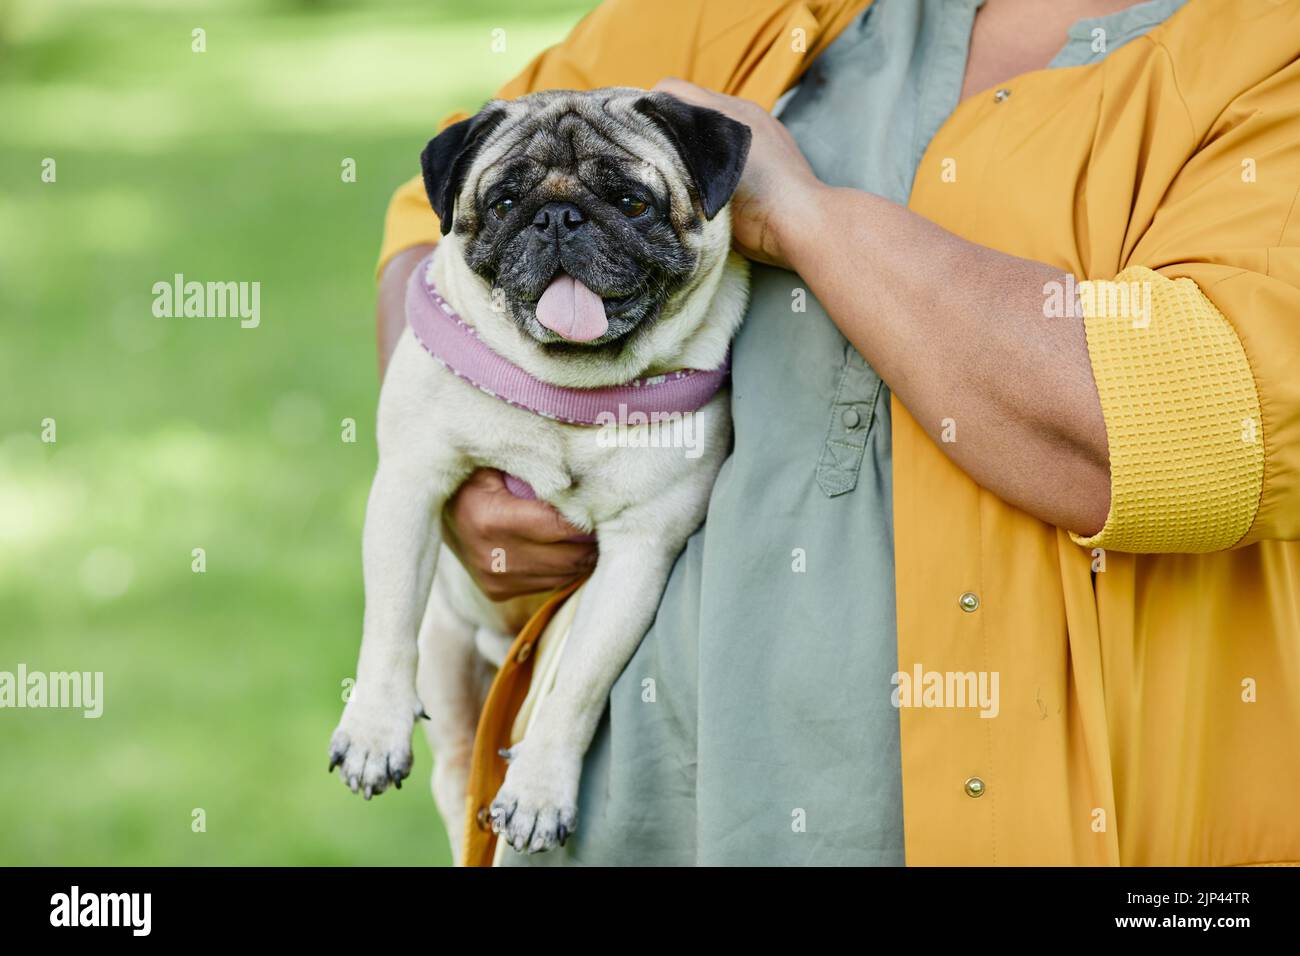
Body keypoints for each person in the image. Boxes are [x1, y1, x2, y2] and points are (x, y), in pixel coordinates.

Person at [374, 0, 1300, 865]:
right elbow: (439, 220)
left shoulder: (1266, 49)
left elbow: (1195, 432)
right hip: (648, 805)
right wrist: (470, 465)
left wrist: (804, 218)